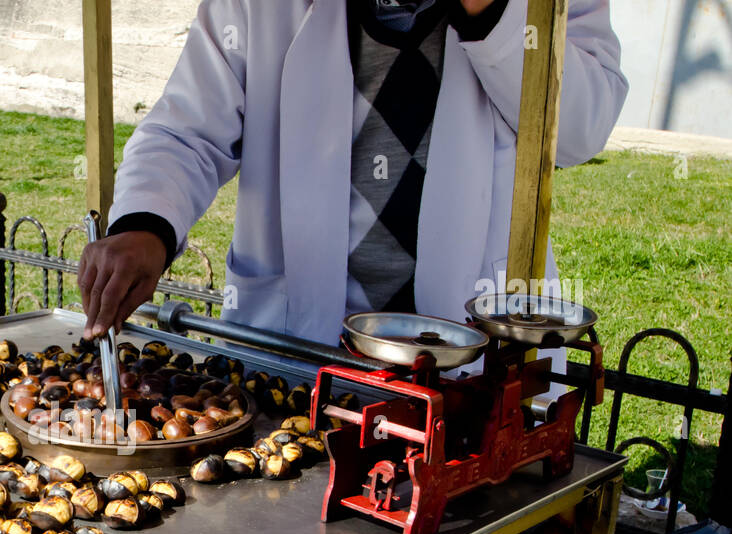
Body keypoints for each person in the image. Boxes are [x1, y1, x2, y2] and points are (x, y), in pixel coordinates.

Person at [78, 0, 628, 344]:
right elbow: (188, 130)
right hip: (301, 348)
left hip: (469, 356)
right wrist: (144, 227)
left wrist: (491, 11)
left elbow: (579, 130)